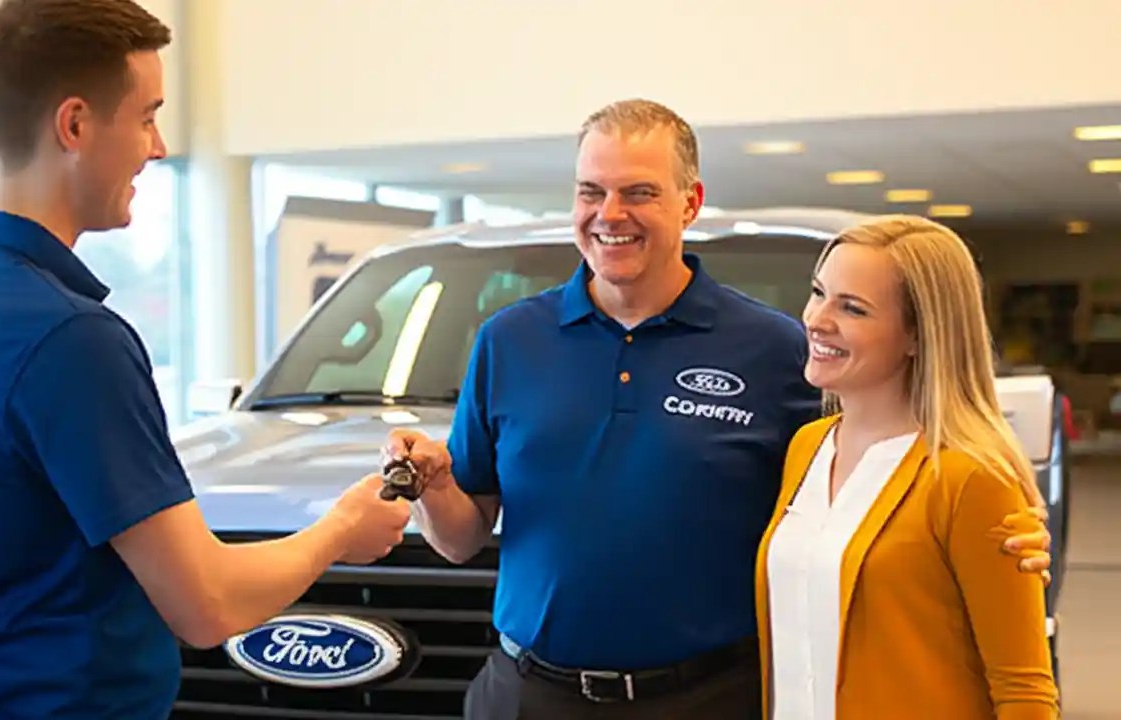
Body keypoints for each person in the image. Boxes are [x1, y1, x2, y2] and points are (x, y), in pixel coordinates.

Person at [384, 99, 1053, 719]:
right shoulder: (507, 341)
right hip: (529, 694)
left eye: (640, 192)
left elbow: (884, 471)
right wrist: (432, 491)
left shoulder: (776, 348)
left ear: (690, 202)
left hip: (708, 697)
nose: (610, 212)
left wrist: (999, 529)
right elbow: (461, 538)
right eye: (592, 190)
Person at [0, 1, 411, 717]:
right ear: (74, 125)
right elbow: (207, 603)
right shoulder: (66, 336)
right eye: (147, 115)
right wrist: (340, 530)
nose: (156, 147)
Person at [754, 216, 1060, 719]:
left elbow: (1024, 690)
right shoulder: (809, 448)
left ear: (919, 335)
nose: (817, 319)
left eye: (852, 307)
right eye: (819, 292)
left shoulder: (969, 477)